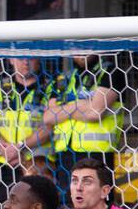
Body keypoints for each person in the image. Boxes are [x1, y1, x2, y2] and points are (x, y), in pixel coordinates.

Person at [0, 57, 54, 208]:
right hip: (2, 165)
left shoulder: (50, 87)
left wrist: (19, 147)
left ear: (38, 59)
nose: (25, 62)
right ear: (11, 60)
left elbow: (50, 127)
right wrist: (5, 149)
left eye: (30, 58)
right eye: (19, 58)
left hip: (36, 165)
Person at [43, 55, 124, 183]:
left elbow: (95, 113)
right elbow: (48, 117)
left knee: (97, 200)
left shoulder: (110, 72)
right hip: (65, 154)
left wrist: (64, 108)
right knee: (68, 201)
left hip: (97, 155)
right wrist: (79, 105)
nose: (82, 52)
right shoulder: (62, 79)